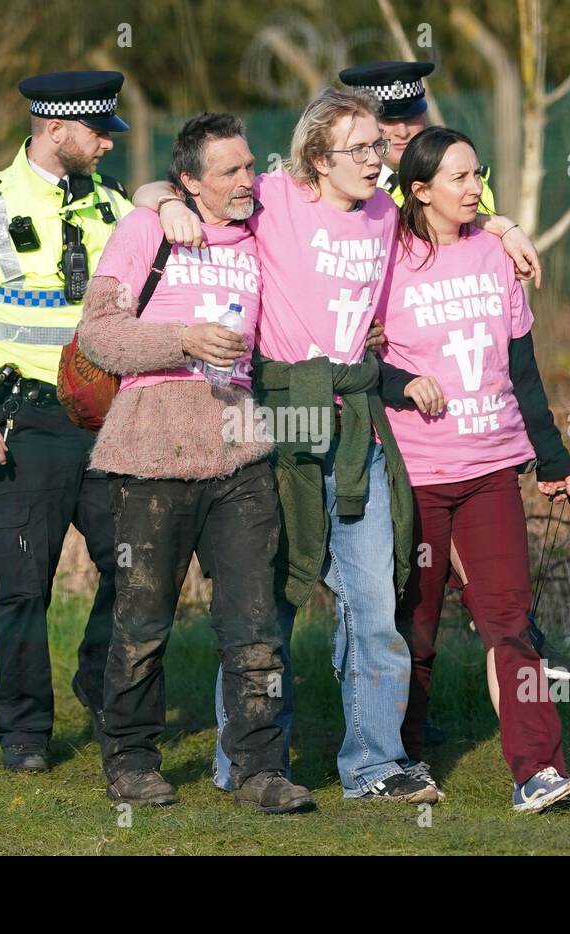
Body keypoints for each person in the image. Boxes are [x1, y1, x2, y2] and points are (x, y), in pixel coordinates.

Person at [135, 89, 441, 802]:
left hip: (355, 426)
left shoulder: (385, 211)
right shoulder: (273, 196)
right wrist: (163, 205)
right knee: (264, 607)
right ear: (315, 159)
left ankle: (373, 765)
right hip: (278, 423)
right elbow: (168, 183)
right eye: (360, 149)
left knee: (373, 605)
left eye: (379, 146)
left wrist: (508, 226)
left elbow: (460, 215)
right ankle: (241, 762)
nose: (377, 160)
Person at [77, 113, 314, 814]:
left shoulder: (260, 229)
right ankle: (130, 760)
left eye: (249, 167)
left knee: (254, 627)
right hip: (152, 449)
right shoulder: (145, 229)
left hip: (241, 447)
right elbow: (98, 334)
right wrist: (183, 338)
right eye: (231, 172)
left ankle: (260, 770)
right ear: (190, 181)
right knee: (143, 621)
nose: (249, 181)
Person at [0, 70, 132, 772]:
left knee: (136, 570)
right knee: (22, 589)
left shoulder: (117, 209)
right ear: (56, 131)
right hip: (20, 426)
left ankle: (102, 687)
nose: (107, 142)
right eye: (97, 132)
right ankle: (24, 731)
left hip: (105, 427)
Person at [381, 126, 570, 812]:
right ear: (419, 190)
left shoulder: (496, 257)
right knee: (418, 624)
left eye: (479, 175)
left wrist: (550, 455)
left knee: (510, 622)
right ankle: (401, 755)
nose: (475, 189)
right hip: (419, 476)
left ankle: (538, 769)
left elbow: (522, 368)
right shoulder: (387, 258)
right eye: (460, 179)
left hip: (493, 469)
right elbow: (359, 358)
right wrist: (399, 383)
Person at [339, 60, 536, 284]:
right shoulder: (347, 187)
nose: (403, 131)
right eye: (388, 119)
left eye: (411, 116)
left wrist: (501, 227)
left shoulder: (468, 176)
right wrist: (499, 224)